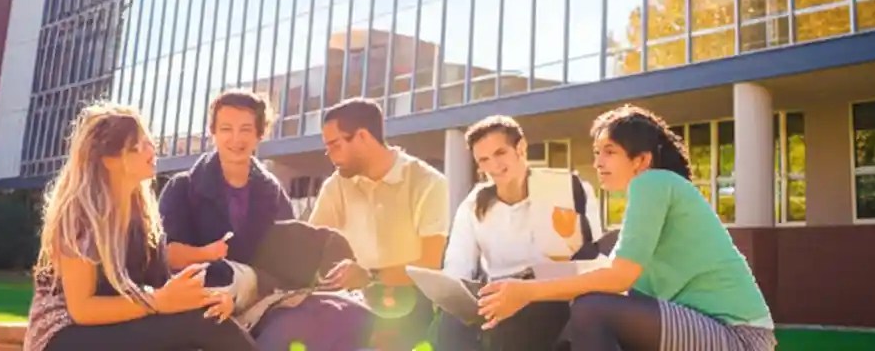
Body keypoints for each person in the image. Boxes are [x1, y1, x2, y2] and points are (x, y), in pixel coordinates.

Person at [477, 105, 777, 351]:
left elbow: (618, 278)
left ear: (641, 160)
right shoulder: (657, 195)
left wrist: (528, 291)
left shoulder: (653, 182)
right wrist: (526, 279)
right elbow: (603, 271)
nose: (598, 162)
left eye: (609, 151)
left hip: (740, 338)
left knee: (592, 308)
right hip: (703, 327)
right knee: (578, 307)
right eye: (596, 153)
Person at [23, 103, 257, 351]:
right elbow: (82, 309)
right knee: (200, 327)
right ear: (109, 160)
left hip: (119, 326)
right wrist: (157, 302)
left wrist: (209, 300)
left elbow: (161, 290)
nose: (151, 148)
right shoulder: (79, 216)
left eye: (149, 141)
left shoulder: (142, 217)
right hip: (66, 336)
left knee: (208, 320)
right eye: (138, 145)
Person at [158, 89, 373, 351]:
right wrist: (206, 254)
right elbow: (165, 257)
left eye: (246, 129)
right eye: (226, 128)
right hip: (203, 301)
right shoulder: (183, 188)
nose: (236, 138)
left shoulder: (271, 191)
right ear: (212, 132)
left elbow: (287, 259)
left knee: (343, 316)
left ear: (260, 134)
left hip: (264, 300)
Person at [437, 115, 603, 351]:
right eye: (483, 160)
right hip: (497, 297)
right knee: (450, 321)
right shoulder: (474, 203)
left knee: (526, 322)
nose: (493, 165)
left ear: (521, 148)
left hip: (553, 295)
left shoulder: (569, 188)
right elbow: (457, 265)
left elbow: (594, 260)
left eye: (500, 153)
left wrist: (529, 291)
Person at [308, 98, 450, 350]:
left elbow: (430, 266)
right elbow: (312, 245)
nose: (329, 154)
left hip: (408, 302)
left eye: (335, 144)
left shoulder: (427, 182)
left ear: (362, 136)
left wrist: (369, 276)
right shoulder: (336, 185)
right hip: (349, 301)